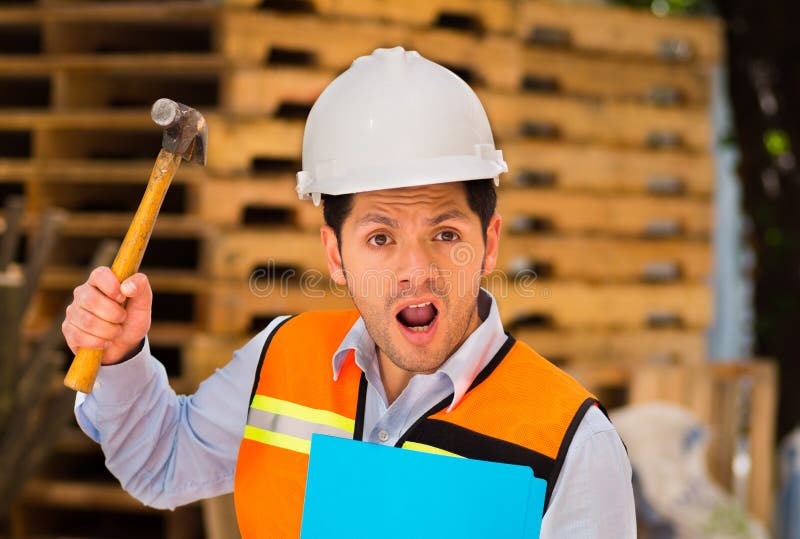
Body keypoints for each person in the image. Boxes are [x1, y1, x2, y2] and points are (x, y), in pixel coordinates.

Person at [63, 47, 636, 537]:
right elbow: (161, 465)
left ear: (488, 245)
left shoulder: (571, 441)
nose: (417, 270)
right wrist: (119, 357)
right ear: (336, 256)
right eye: (381, 237)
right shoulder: (282, 357)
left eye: (445, 234)